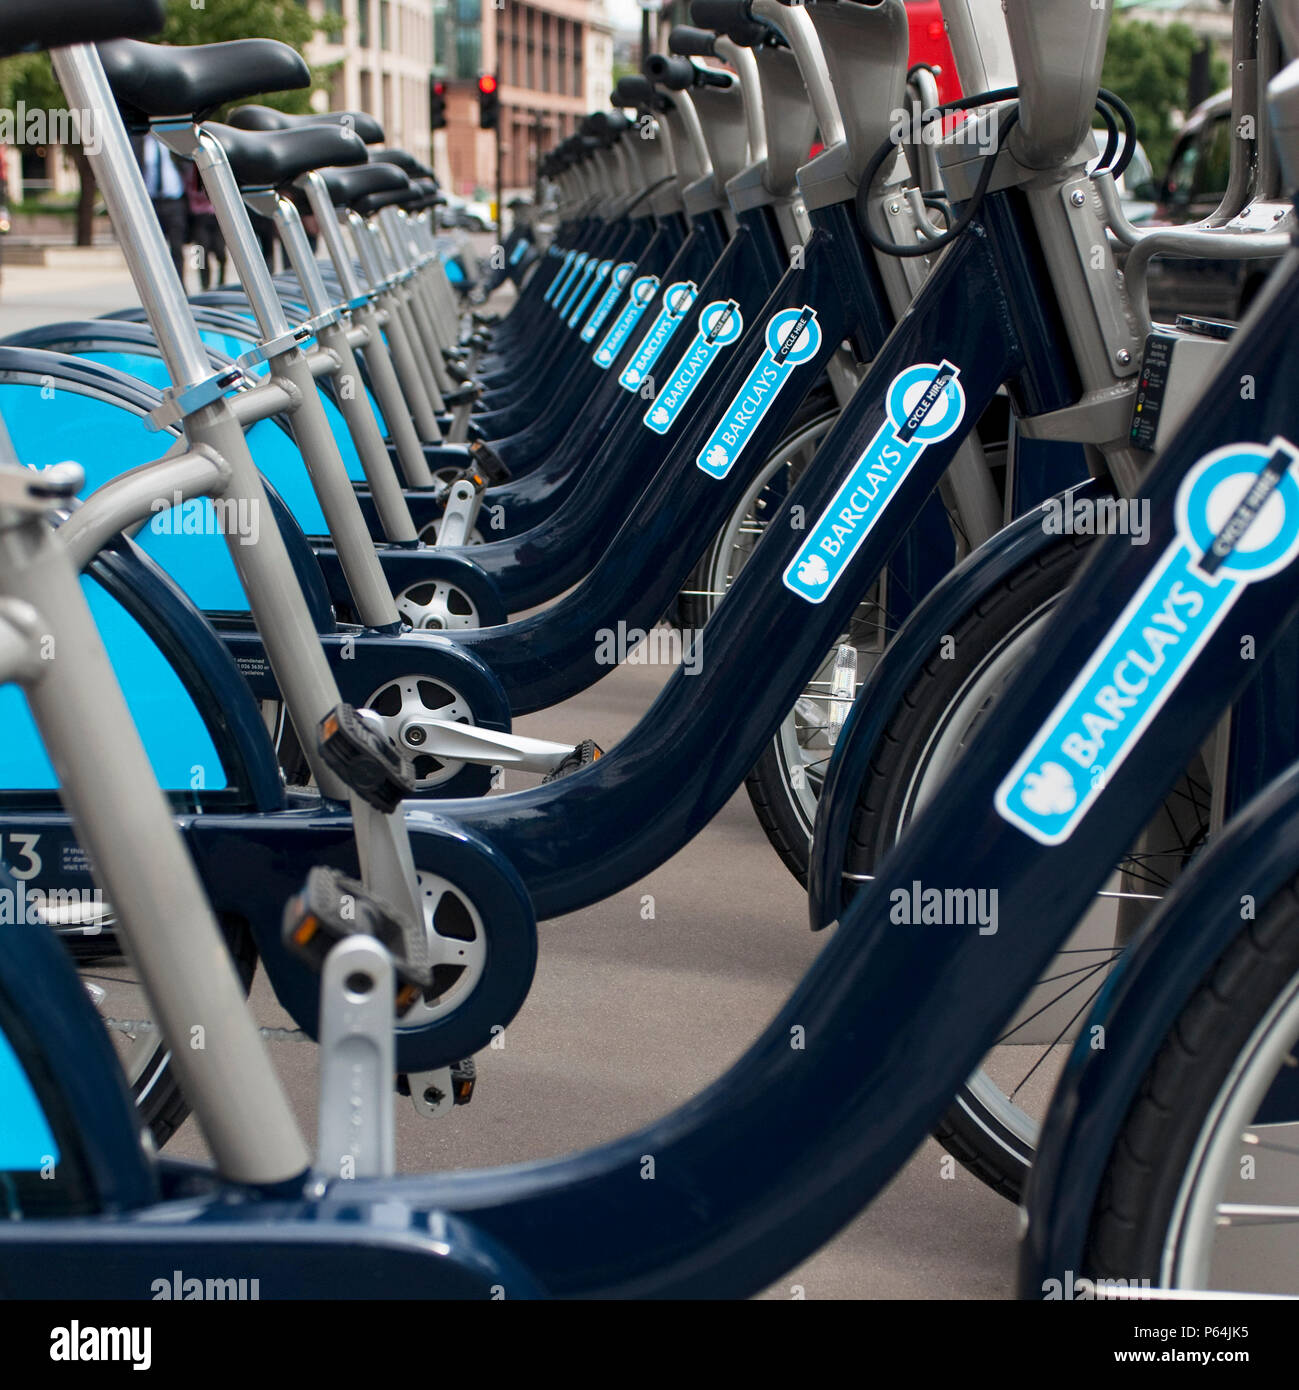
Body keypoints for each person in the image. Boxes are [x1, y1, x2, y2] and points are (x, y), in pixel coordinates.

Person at [135, 132, 188, 278]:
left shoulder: (172, 143)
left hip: (175, 202)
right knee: (155, 249)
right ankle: (161, 285)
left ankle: (180, 286)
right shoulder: (139, 142)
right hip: (151, 204)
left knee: (177, 247)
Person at [185, 163, 225, 290]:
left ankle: (221, 283)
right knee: (201, 253)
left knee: (220, 252)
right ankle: (205, 285)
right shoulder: (188, 168)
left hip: (216, 214)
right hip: (199, 216)